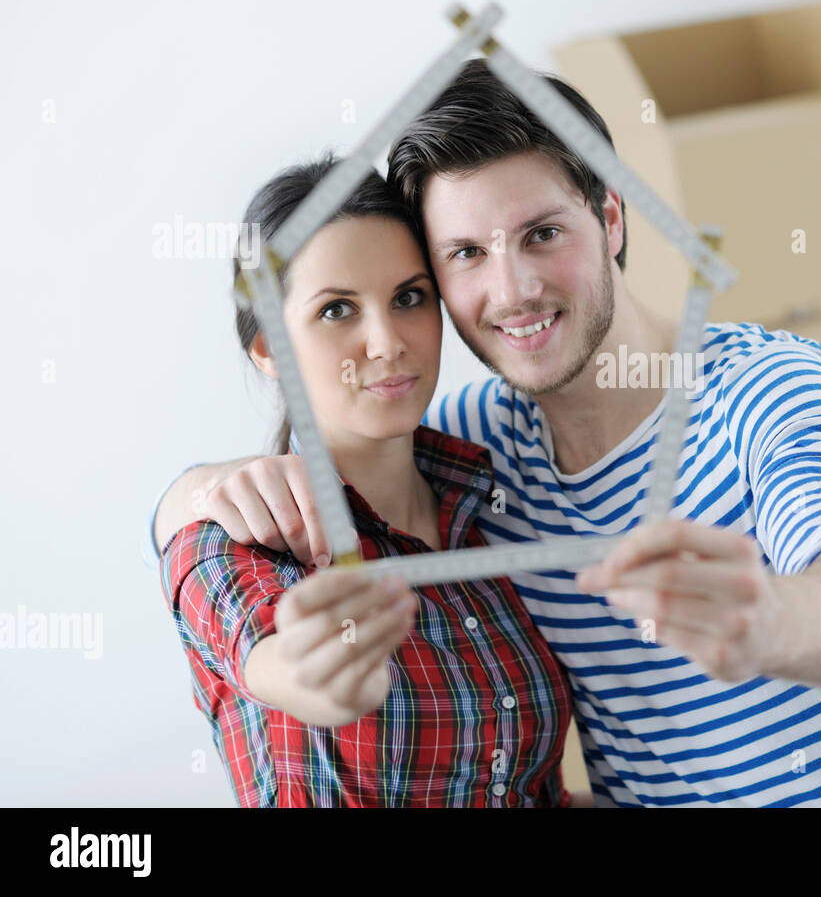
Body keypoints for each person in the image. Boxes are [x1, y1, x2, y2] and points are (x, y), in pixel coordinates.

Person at [149, 61, 821, 807]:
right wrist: (195, 494)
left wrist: (771, 622)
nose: (512, 290)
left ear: (611, 218)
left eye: (541, 234)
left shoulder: (767, 388)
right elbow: (241, 543)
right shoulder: (477, 460)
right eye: (467, 254)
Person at [158, 154, 573, 807]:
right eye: (336, 311)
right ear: (268, 347)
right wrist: (319, 672)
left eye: (409, 298)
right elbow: (278, 661)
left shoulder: (489, 497)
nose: (387, 342)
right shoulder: (231, 538)